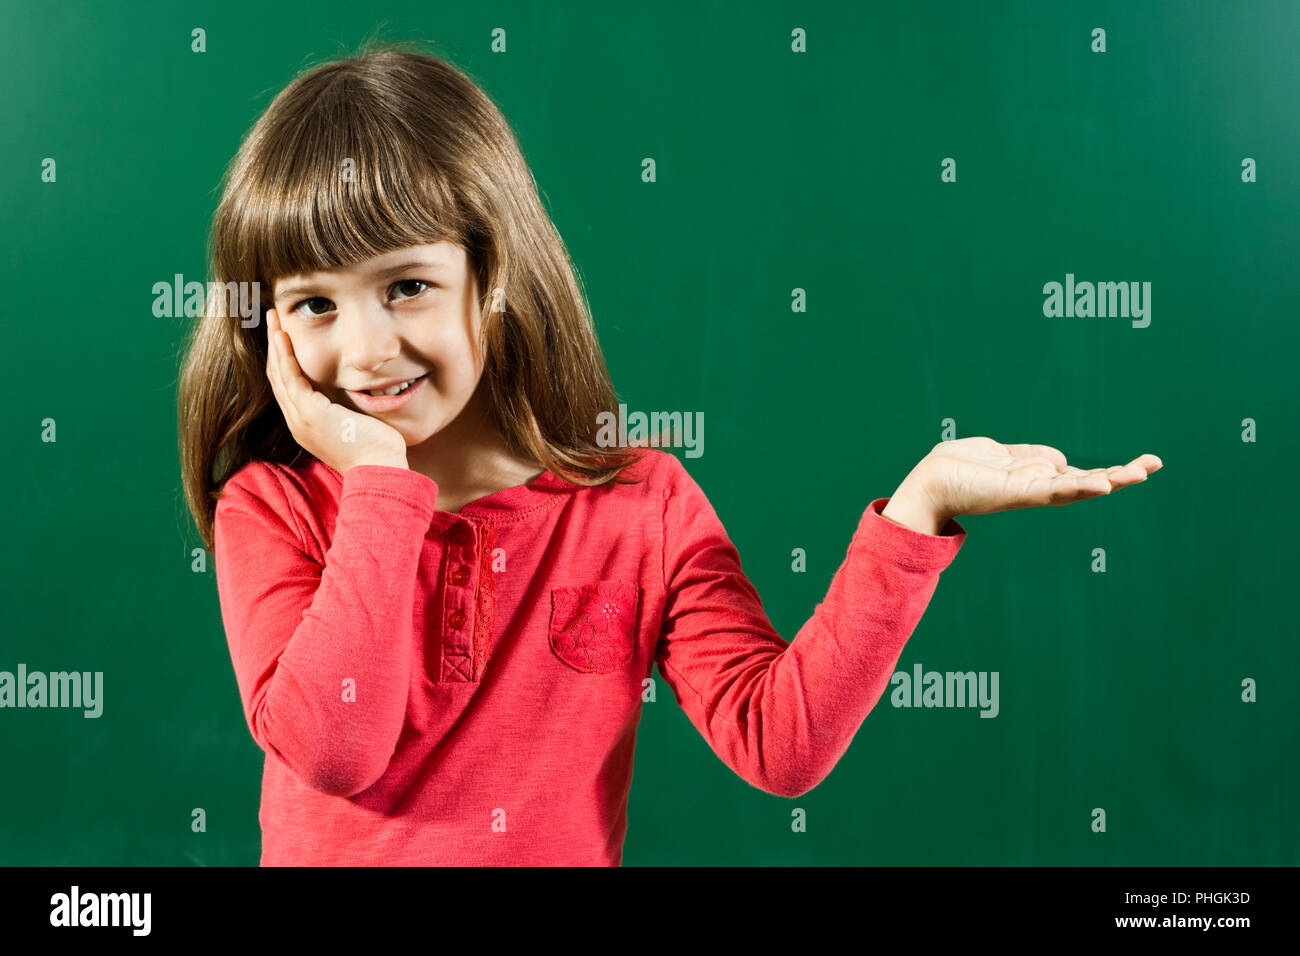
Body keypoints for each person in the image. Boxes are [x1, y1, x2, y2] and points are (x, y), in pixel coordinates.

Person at [177, 43, 1162, 866]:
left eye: (406, 286)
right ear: (269, 328)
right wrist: (380, 485)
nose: (366, 348)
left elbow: (780, 739)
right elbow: (333, 748)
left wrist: (921, 505)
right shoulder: (271, 506)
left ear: (492, 277)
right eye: (314, 303)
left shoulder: (638, 504)